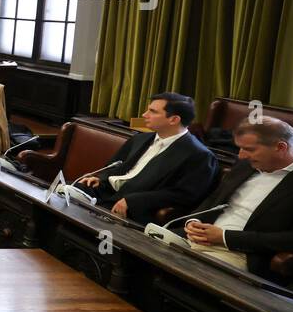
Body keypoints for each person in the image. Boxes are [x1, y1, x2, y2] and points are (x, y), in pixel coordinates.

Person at [183, 119, 293, 280]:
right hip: (198, 238)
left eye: (249, 149)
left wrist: (225, 237)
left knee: (178, 275)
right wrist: (193, 221)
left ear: (280, 147)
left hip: (243, 254)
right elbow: (214, 199)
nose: (241, 155)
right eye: (239, 148)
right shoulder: (247, 163)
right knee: (145, 248)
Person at [74, 92, 219, 224]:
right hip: (108, 191)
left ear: (174, 119)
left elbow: (184, 195)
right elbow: (116, 165)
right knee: (69, 193)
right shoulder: (141, 138)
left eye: (153, 111)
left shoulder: (199, 156)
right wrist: (101, 177)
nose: (144, 115)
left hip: (136, 206)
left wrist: (133, 201)